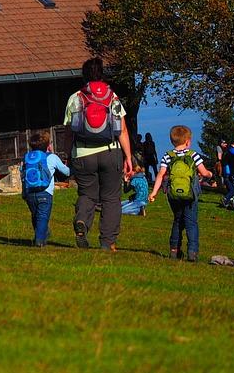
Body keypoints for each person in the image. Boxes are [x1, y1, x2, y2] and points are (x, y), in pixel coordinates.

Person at [64, 57, 133, 251]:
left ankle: (82, 222)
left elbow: (69, 132)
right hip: (111, 152)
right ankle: (107, 242)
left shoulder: (76, 97)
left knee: (87, 194)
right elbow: (123, 130)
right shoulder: (113, 97)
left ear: (84, 75)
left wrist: (68, 154)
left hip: (83, 153)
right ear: (102, 74)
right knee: (111, 198)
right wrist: (128, 157)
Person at [149, 125, 214, 262]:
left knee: (178, 220)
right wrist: (210, 173)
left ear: (172, 141)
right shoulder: (193, 155)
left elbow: (160, 175)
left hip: (173, 196)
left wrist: (154, 193)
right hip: (190, 195)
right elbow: (204, 172)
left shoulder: (168, 156)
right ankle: (192, 252)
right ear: (188, 141)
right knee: (191, 223)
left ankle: (174, 250)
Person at [21, 130, 70, 246]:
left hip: (30, 192)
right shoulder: (52, 157)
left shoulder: (26, 158)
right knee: (42, 216)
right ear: (48, 145)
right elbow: (66, 172)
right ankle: (39, 240)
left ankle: (43, 234)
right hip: (45, 192)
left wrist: (24, 192)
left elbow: (22, 176)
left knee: (36, 215)